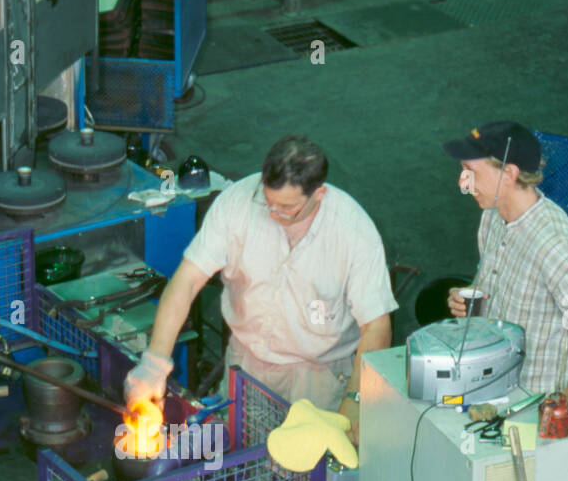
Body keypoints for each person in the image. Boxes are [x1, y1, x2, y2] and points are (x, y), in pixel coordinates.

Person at [125, 135, 397, 442]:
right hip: (248, 363)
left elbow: (376, 326)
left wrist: (355, 402)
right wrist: (154, 364)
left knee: (307, 478)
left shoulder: (352, 231)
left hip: (319, 375)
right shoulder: (237, 204)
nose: (273, 215)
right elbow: (186, 281)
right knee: (237, 467)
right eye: (267, 202)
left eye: (287, 208)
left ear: (318, 194)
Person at [442, 121, 568, 406]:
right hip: (494, 387)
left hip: (532, 406)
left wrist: (563, 406)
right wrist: (469, 293)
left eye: (471, 172)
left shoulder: (555, 249)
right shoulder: (493, 217)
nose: (463, 183)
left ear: (509, 174)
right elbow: (495, 284)